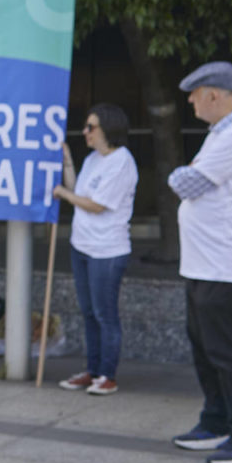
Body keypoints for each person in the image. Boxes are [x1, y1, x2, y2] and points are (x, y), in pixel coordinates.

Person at [167, 61, 232, 463]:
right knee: (206, 348)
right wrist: (187, 173)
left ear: (213, 95)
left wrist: (183, 173)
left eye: (193, 95)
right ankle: (217, 422)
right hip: (204, 263)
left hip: (223, 263)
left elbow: (186, 184)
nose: (190, 102)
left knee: (229, 353)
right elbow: (192, 180)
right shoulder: (222, 133)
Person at [53, 104, 138, 396]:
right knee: (89, 312)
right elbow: (80, 192)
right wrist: (67, 164)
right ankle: (93, 370)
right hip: (83, 245)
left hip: (107, 250)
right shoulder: (92, 159)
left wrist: (63, 194)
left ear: (108, 130)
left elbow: (97, 205)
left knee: (105, 314)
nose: (85, 132)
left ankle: (108, 375)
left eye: (92, 127)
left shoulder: (122, 162)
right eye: (86, 127)